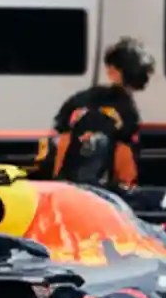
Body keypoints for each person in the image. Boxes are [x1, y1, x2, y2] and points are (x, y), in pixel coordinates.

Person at [33, 37, 151, 189]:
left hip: (68, 184)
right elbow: (126, 157)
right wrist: (126, 185)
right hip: (100, 187)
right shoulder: (126, 111)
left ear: (113, 71)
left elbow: (57, 137)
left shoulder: (82, 99)